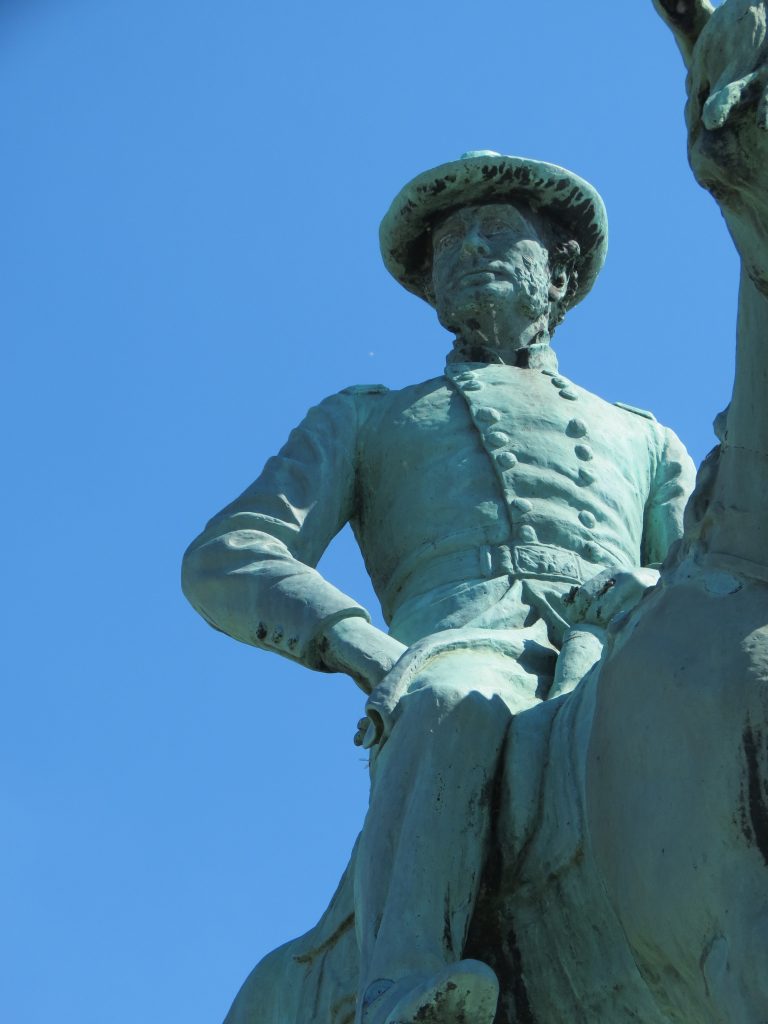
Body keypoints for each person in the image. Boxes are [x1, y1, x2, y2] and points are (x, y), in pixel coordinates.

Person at [182, 151, 695, 1024]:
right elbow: (228, 552)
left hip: (624, 637)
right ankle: (403, 984)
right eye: (450, 241)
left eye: (498, 230)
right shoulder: (369, 416)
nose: (468, 249)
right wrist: (357, 640)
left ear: (559, 270)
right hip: (465, 648)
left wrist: (644, 588)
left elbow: (696, 585)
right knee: (456, 701)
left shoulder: (647, 438)